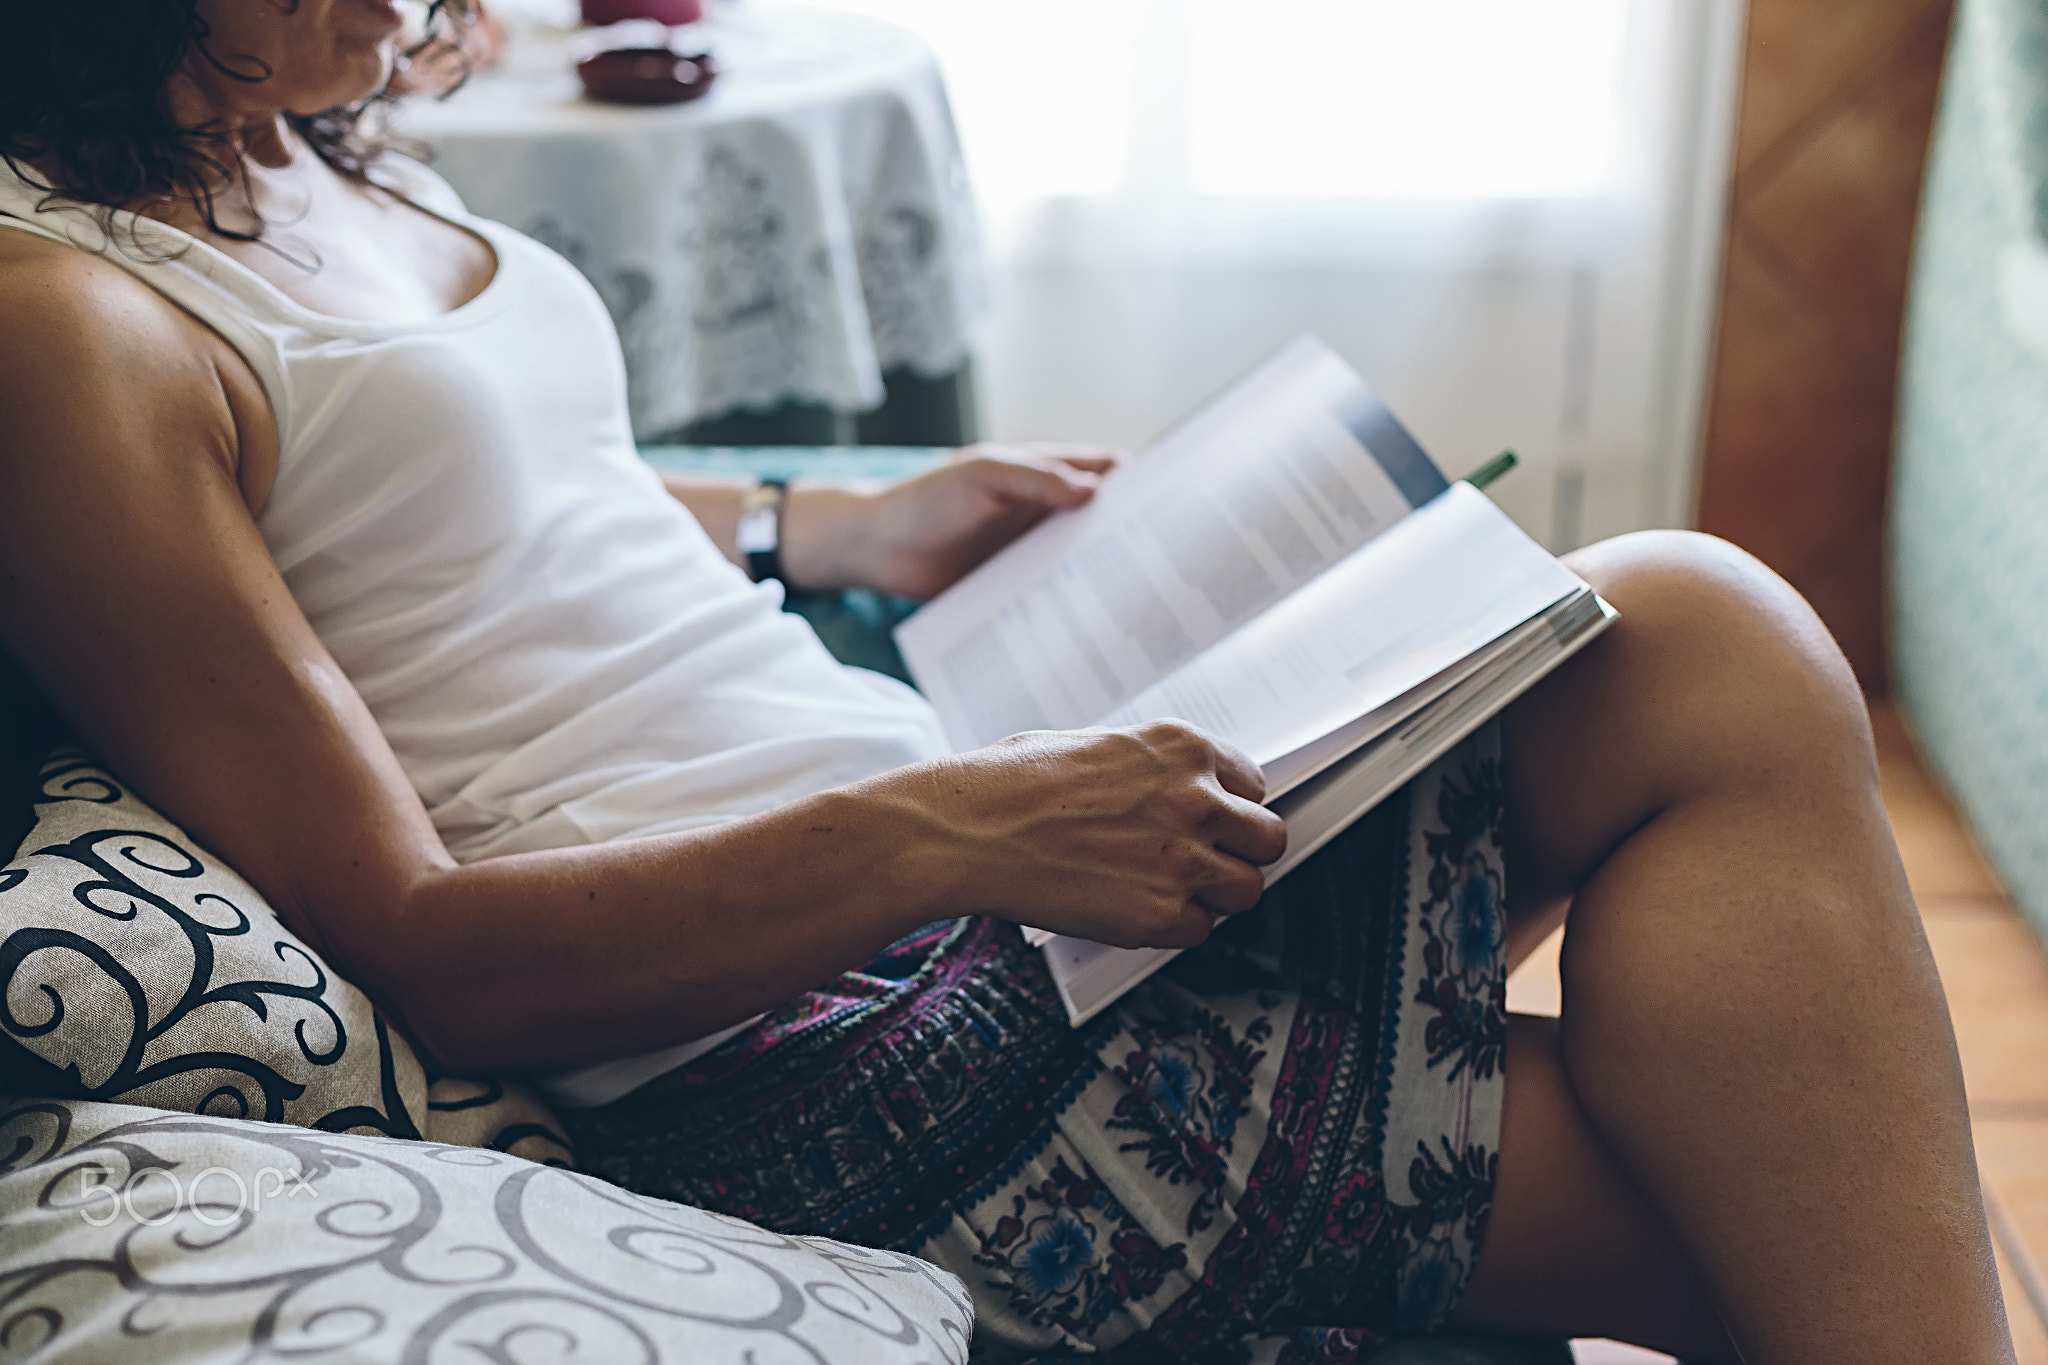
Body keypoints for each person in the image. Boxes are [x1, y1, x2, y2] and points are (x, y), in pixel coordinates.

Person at [0, 4, 2017, 1362]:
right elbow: (433, 948)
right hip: (814, 1058)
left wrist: (827, 525)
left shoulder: (293, 135)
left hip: (959, 875)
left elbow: (483, 506)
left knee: (1692, 633)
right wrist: (954, 826)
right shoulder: (65, 333)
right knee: (1797, 1208)